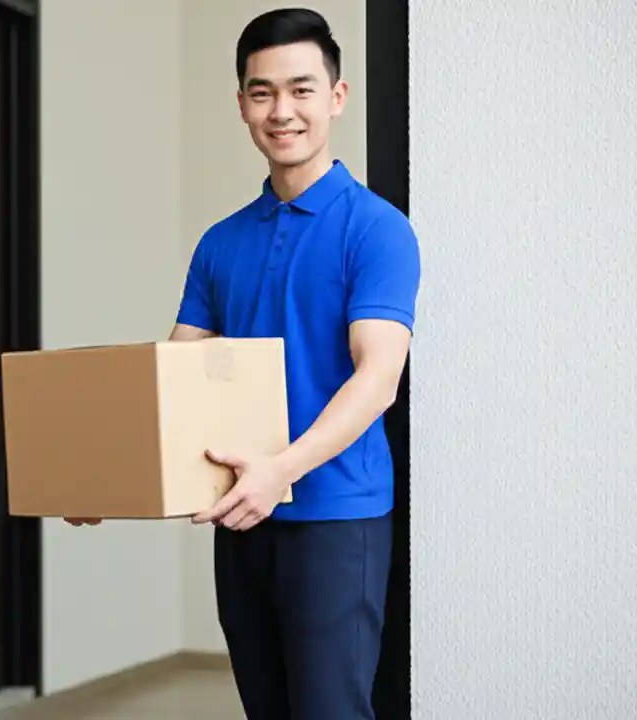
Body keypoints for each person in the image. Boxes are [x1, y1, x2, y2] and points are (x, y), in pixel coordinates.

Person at [66, 8, 420, 719]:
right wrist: (105, 476)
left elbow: (378, 378)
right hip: (242, 515)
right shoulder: (220, 243)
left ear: (336, 97)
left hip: (335, 519)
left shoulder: (377, 229)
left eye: (301, 89)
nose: (281, 111)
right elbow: (174, 377)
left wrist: (281, 470)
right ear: (241, 105)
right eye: (263, 93)